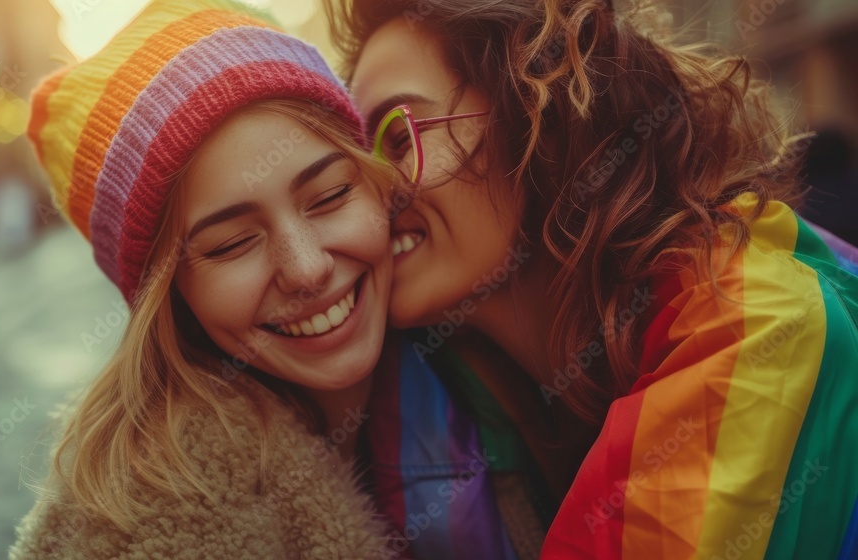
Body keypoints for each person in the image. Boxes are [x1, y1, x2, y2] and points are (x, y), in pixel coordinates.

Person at [327, 0, 858, 557]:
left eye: (398, 139)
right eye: (351, 167)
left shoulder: (756, 322)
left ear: (544, 119)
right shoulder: (448, 377)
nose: (371, 197)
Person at [9, 1, 396, 558]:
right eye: (230, 244)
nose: (307, 268)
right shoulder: (153, 512)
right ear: (168, 298)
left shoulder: (470, 372)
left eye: (331, 195)